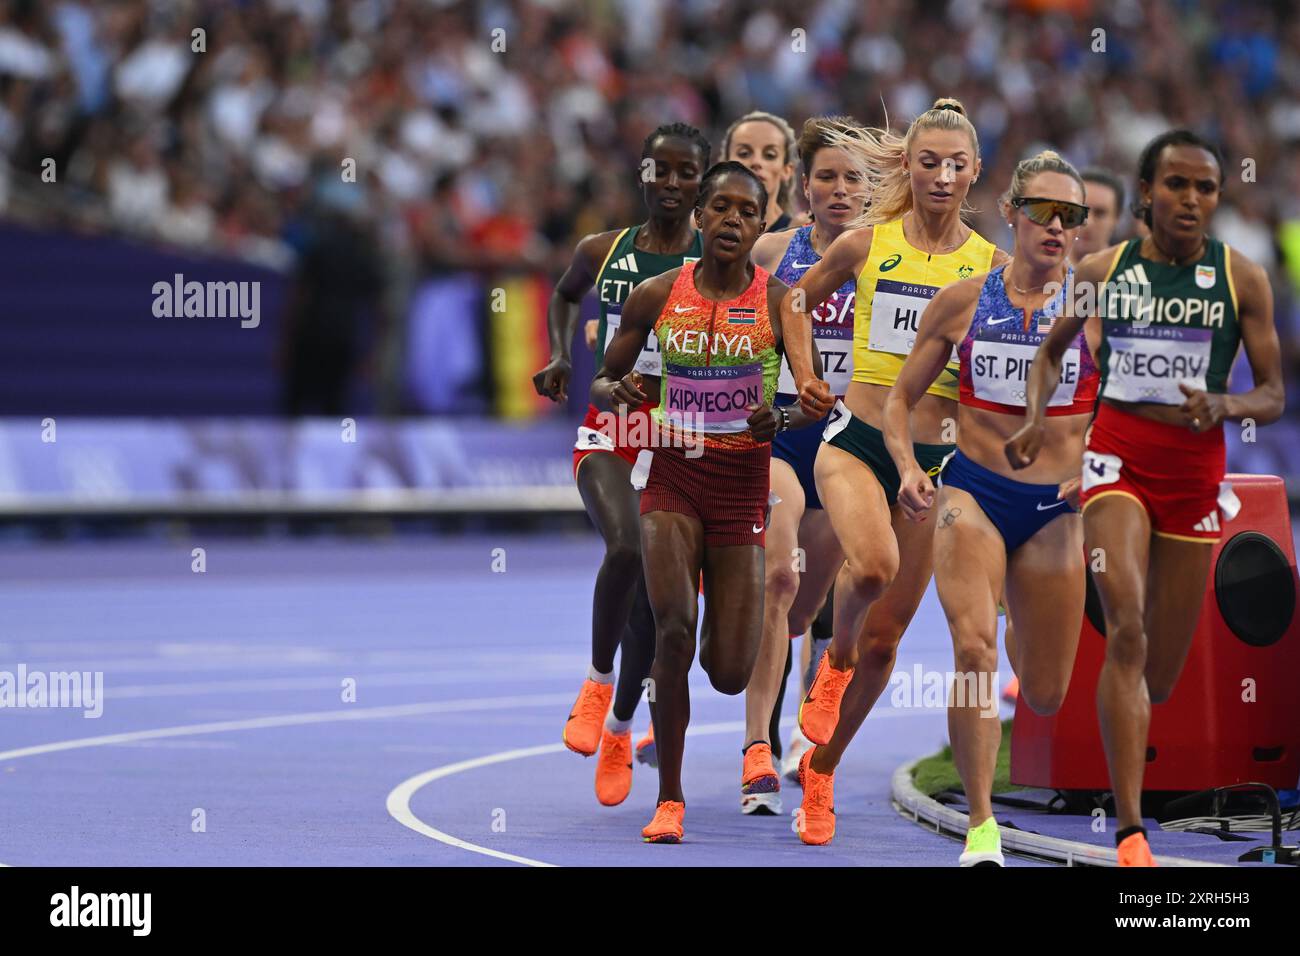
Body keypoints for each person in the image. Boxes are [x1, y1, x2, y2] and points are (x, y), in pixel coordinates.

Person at [1011, 130, 1284, 866]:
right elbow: (1048, 352)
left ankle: (1132, 788)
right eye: (1176, 186)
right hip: (1117, 462)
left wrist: (1225, 407)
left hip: (1195, 478)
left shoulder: (1243, 279)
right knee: (1125, 628)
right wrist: (1037, 420)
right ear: (1146, 194)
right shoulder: (1102, 270)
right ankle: (1131, 830)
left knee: (1157, 672)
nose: (1191, 200)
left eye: (1205, 189)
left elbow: (1273, 394)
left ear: (1218, 199)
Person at [781, 99, 1007, 845]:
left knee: (888, 642)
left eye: (956, 164)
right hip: (858, 439)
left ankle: (823, 769)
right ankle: (830, 662)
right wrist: (808, 374)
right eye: (929, 161)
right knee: (870, 571)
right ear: (908, 166)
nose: (941, 175)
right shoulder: (867, 242)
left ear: (975, 173)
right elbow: (794, 300)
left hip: (938, 464)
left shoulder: (990, 269)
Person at [593, 161, 819, 843]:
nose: (731, 221)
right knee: (671, 630)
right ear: (699, 217)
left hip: (742, 486)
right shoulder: (658, 294)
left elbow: (807, 397)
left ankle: (727, 669)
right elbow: (605, 383)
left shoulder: (784, 302)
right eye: (718, 207)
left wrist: (783, 417)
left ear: (760, 225)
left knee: (726, 669)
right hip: (673, 477)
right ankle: (670, 799)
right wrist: (620, 392)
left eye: (746, 212)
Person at [885, 151, 1099, 865]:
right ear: (1010, 213)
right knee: (972, 650)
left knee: (1042, 691)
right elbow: (897, 399)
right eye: (1042, 209)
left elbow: (1125, 409)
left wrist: (1099, 468)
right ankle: (982, 828)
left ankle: (1014, 605)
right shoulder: (964, 300)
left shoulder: (1094, 312)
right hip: (972, 493)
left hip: (1054, 511)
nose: (1057, 225)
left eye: (1072, 215)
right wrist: (909, 466)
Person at [532, 123, 710, 807]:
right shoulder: (601, 251)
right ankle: (598, 677)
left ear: (702, 183)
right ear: (641, 174)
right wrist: (561, 354)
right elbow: (564, 293)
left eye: (685, 173)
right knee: (625, 548)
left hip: (683, 444)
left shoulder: (716, 260)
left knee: (662, 615)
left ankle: (620, 727)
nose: (671, 183)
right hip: (611, 430)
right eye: (659, 170)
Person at [738, 116, 865, 815]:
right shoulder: (770, 251)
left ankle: (804, 727)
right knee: (778, 578)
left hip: (850, 448)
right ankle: (756, 747)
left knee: (809, 609)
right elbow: (723, 324)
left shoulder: (886, 257)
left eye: (853, 179)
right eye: (826, 177)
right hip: (784, 435)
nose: (840, 190)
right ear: (803, 186)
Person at [723, 111, 803, 232]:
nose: (756, 161)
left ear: (787, 170)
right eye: (744, 153)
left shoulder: (798, 237)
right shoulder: (699, 229)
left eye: (770, 155)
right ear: (724, 165)